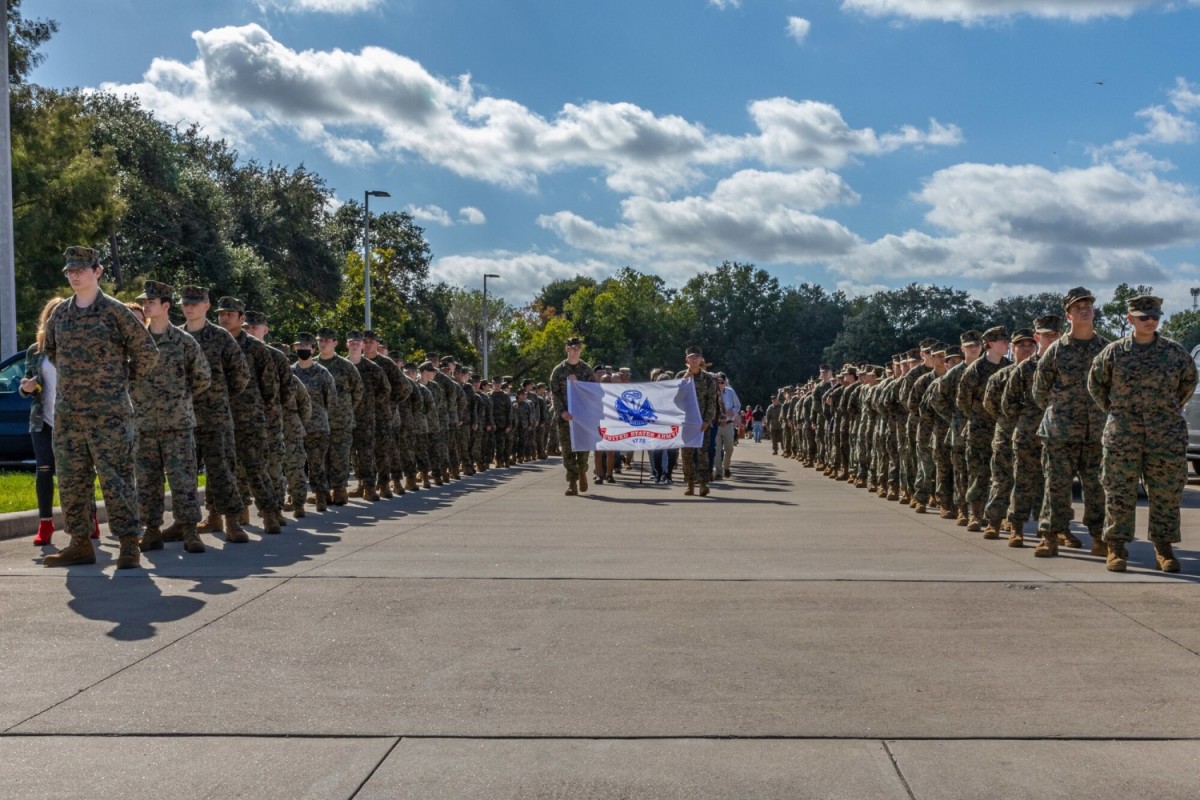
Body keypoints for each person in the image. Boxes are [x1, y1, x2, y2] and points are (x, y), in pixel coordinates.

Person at [41, 246, 159, 568]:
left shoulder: (116, 312)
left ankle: (128, 544)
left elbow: (147, 354)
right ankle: (79, 543)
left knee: (116, 479)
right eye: (69, 270)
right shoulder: (60, 314)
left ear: (98, 271)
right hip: (68, 415)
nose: (74, 274)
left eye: (81, 268)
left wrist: (119, 381)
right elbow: (51, 350)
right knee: (71, 480)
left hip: (110, 415)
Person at [1088, 295, 1199, 572]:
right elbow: (1096, 385)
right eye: (1143, 317)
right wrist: (1117, 412)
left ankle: (1164, 548)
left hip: (1165, 435)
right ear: (1130, 319)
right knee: (1118, 492)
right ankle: (1116, 547)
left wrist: (1167, 410)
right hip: (1122, 435)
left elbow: (1187, 383)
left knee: (1166, 494)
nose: (1150, 321)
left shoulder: (1174, 353)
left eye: (1155, 316)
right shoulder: (1113, 353)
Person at [132, 281, 211, 554]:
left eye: (151, 301)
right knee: (147, 481)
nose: (146, 306)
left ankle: (190, 531)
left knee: (183, 480)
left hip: (177, 424)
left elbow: (202, 377)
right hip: (144, 424)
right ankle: (151, 531)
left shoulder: (183, 341)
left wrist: (179, 398)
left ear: (166, 306)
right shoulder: (137, 342)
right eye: (144, 302)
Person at [1031, 288, 1109, 558]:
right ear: (1068, 314)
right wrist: (1061, 412)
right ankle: (1050, 536)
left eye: (1088, 305)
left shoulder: (1106, 349)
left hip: (1096, 432)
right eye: (1078, 307)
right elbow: (1039, 391)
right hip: (1060, 432)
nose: (1085, 310)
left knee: (1098, 487)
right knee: (1056, 487)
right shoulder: (1056, 350)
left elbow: (1114, 387)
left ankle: (1099, 538)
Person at [20, 297, 99, 546]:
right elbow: (25, 386)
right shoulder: (35, 350)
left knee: (79, 471)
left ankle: (91, 518)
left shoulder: (77, 345)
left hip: (74, 419)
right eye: (53, 316)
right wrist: (27, 387)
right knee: (44, 471)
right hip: (42, 420)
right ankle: (45, 523)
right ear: (47, 319)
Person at [177, 286, 251, 544]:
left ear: (206, 305)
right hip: (183, 417)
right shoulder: (176, 336)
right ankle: (205, 519)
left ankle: (232, 521)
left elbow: (241, 372)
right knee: (185, 473)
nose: (190, 308)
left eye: (195, 303)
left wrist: (222, 396)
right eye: (186, 303)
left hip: (216, 416)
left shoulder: (219, 336)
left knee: (222, 470)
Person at [217, 297, 283, 534]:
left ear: (241, 319)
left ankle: (269, 513)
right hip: (220, 418)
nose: (224, 318)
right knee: (227, 471)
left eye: (230, 315)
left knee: (256, 468)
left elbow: (270, 388)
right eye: (222, 314)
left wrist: (262, 414)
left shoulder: (256, 348)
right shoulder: (214, 343)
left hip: (250, 419)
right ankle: (233, 517)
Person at [292, 333, 337, 512]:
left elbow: (332, 400)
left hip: (318, 427)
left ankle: (320, 497)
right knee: (295, 466)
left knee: (316, 465)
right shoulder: (290, 371)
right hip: (296, 427)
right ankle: (296, 501)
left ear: (313, 349)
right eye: (299, 346)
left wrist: (323, 417)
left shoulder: (322, 373)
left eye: (306, 346)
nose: (303, 349)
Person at [549, 337, 597, 496]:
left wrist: (577, 384)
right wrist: (562, 411)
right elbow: (554, 394)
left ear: (580, 350)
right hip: (565, 418)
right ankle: (572, 482)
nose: (574, 350)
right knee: (567, 451)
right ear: (566, 349)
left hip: (582, 417)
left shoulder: (587, 370)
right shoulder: (559, 371)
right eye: (572, 347)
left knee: (582, 449)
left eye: (577, 348)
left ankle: (582, 471)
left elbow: (593, 393)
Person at [676, 346, 720, 497]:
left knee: (703, 453)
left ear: (701, 360)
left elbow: (712, 401)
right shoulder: (681, 376)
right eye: (691, 357)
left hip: (702, 423)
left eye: (697, 357)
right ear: (686, 360)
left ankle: (703, 484)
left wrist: (708, 420)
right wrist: (684, 380)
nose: (694, 359)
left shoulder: (708, 379)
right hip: (686, 422)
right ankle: (689, 483)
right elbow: (674, 398)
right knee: (687, 454)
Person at [714, 373, 741, 479]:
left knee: (729, 448)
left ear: (725, 383)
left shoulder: (730, 392)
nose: (720, 384)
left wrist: (732, 411)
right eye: (718, 382)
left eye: (722, 382)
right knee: (716, 449)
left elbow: (737, 406)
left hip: (728, 425)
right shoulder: (712, 392)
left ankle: (726, 467)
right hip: (716, 424)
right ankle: (719, 472)